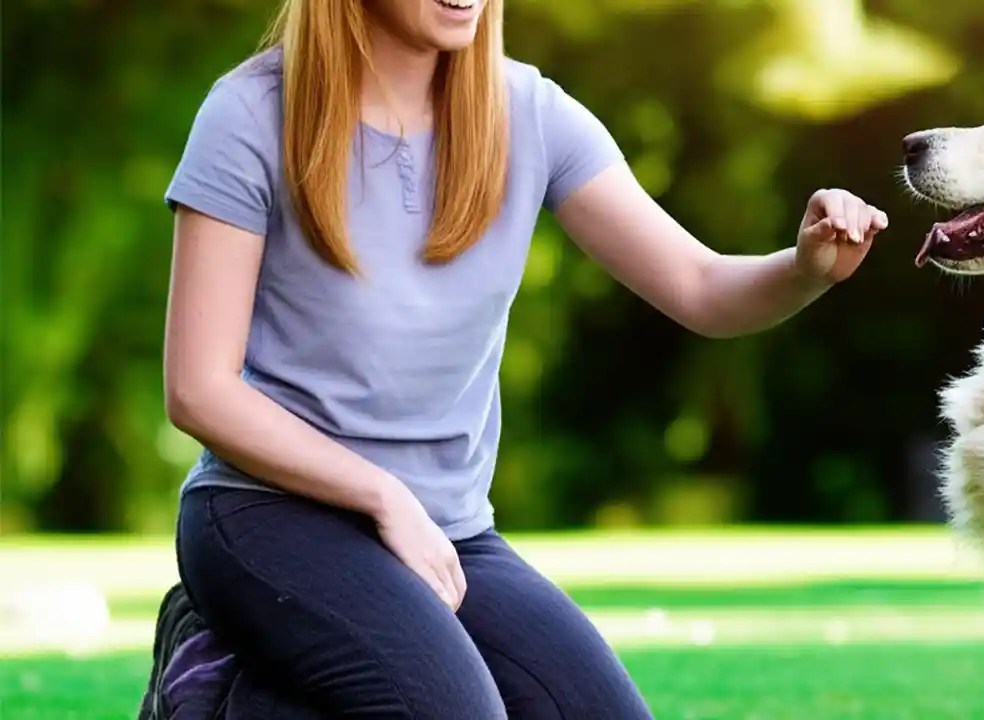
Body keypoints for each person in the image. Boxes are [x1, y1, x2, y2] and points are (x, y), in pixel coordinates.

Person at [140, 0, 889, 717]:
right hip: (265, 514)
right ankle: (210, 696)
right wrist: (381, 494)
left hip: (447, 528)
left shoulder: (529, 113)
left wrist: (803, 267)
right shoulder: (248, 113)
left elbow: (698, 286)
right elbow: (199, 389)